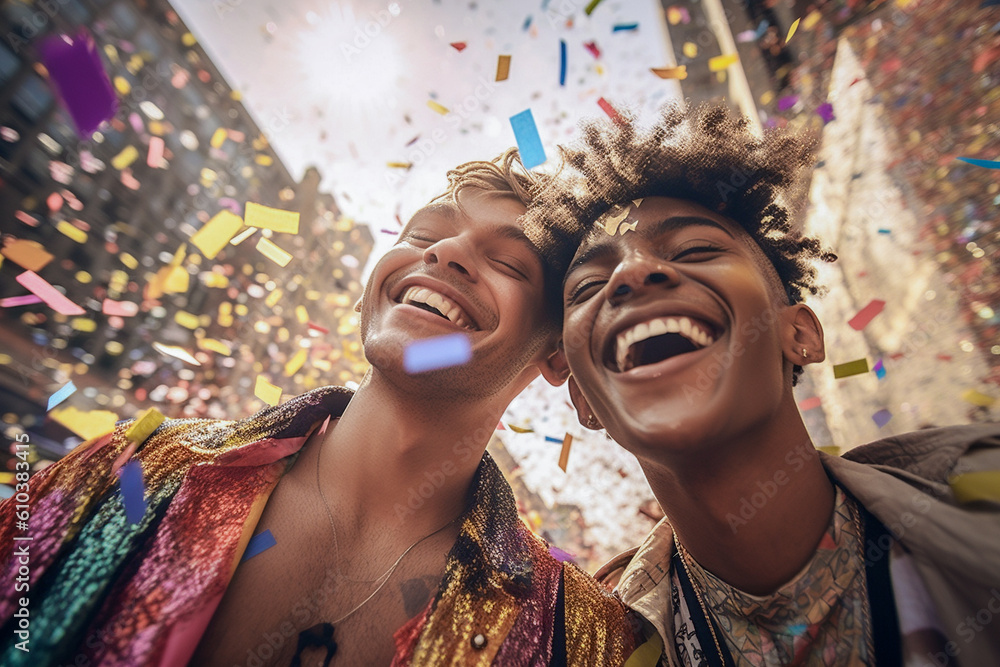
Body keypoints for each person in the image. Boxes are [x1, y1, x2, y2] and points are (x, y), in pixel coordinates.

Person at [0, 149, 634, 666]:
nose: (443, 254)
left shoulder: (578, 638)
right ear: (369, 291)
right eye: (423, 235)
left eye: (508, 262)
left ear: (558, 352)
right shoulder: (128, 471)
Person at [523, 103, 1000, 666]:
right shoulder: (594, 647)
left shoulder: (984, 498)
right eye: (588, 287)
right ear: (583, 399)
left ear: (800, 334)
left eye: (695, 250)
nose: (630, 273)